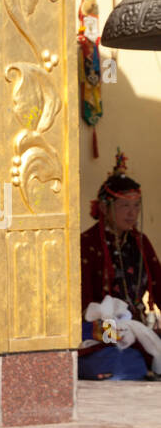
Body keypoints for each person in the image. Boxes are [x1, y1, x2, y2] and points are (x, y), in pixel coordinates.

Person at [78, 150, 161, 380]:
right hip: (97, 330)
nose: (132, 214)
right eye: (125, 206)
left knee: (143, 348)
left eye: (136, 206)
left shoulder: (141, 243)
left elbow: (159, 285)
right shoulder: (87, 244)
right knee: (115, 356)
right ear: (104, 208)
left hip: (136, 327)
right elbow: (82, 305)